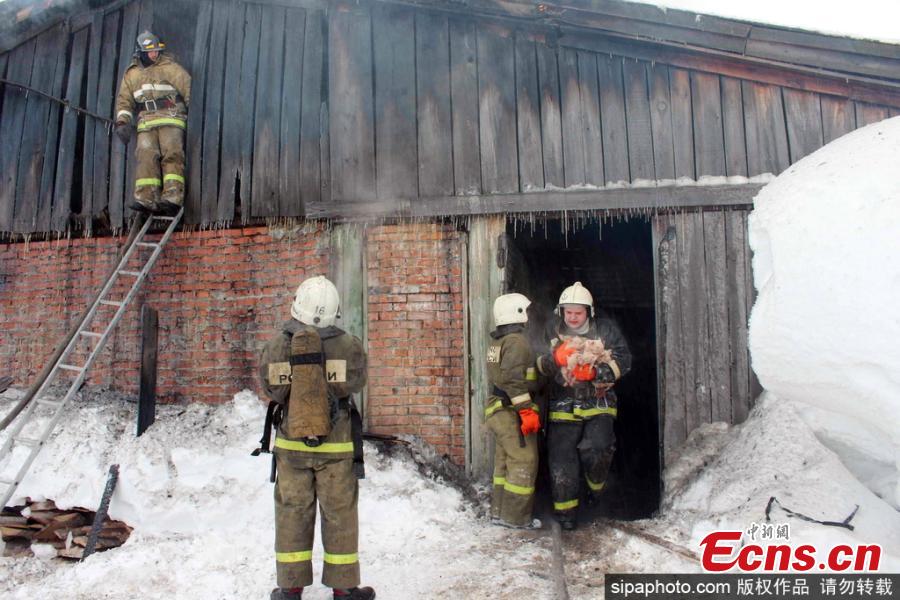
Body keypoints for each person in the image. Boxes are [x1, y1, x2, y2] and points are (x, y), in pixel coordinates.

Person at [258, 276, 375, 600]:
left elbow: (273, 391)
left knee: (292, 511)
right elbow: (356, 382)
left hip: (292, 445)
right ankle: (344, 589)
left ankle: (290, 588)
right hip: (335, 446)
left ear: (298, 305)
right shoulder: (347, 345)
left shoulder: (278, 344)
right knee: (339, 513)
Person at [536, 282, 631, 531]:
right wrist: (554, 359)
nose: (573, 318)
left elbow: (624, 359)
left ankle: (595, 488)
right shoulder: (552, 332)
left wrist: (596, 372)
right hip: (562, 405)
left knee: (597, 448)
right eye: (568, 312)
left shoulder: (606, 331)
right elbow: (538, 365)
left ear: (588, 311)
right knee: (561, 459)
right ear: (561, 311)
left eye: (578, 313)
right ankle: (566, 514)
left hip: (599, 403)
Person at [114, 30, 191, 215]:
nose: (155, 54)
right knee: (145, 156)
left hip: (171, 118)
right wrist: (122, 122)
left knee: (172, 154)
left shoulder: (170, 67)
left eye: (157, 50)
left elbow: (189, 89)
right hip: (146, 122)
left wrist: (194, 115)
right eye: (151, 51)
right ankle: (147, 198)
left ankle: (172, 198)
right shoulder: (132, 75)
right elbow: (124, 100)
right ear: (141, 52)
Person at [484, 293, 542, 529]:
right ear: (517, 313)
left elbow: (509, 374)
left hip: (498, 410)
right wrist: (526, 411)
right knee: (523, 460)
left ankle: (499, 513)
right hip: (512, 412)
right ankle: (516, 518)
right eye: (525, 311)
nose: (528, 316)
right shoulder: (516, 341)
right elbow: (513, 379)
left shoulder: (498, 342)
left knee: (503, 463)